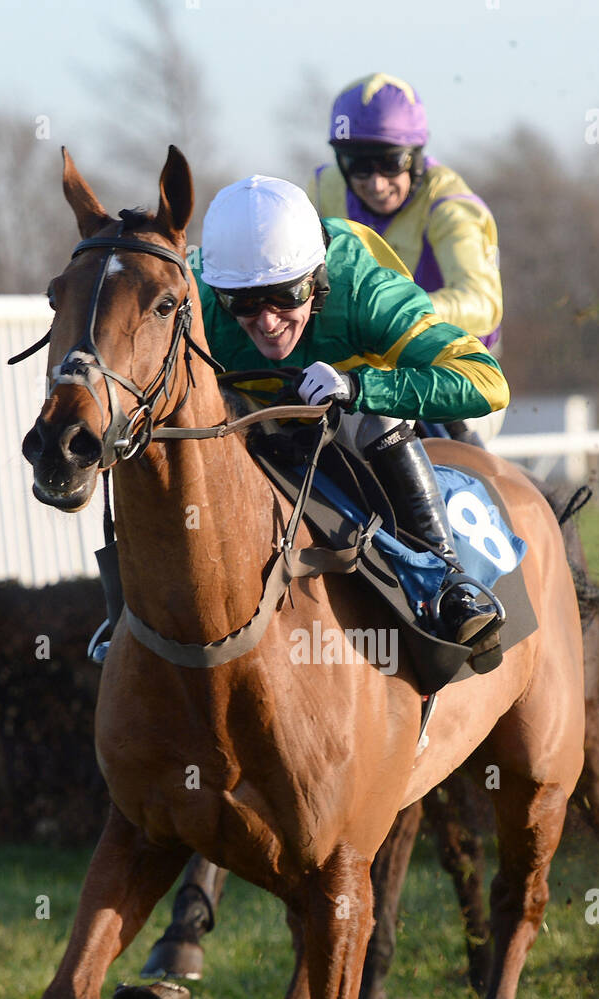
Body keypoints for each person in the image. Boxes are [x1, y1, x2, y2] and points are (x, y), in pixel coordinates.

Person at [191, 172, 509, 656]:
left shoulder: (364, 289)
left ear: (317, 280)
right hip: (250, 416)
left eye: (285, 295)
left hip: (356, 416)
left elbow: (488, 382)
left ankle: (448, 581)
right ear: (218, 292)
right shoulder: (199, 298)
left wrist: (361, 387)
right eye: (245, 303)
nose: (269, 321)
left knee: (376, 419)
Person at [310, 72, 505, 444]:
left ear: (416, 157)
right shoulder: (323, 188)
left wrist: (390, 315)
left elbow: (484, 304)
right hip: (356, 362)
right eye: (358, 165)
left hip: (448, 365)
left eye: (390, 163)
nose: (376, 183)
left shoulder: (451, 209)